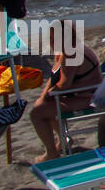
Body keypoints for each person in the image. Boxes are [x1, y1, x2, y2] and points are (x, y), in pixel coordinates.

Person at [29, 21, 100, 161]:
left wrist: (48, 96)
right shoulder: (66, 51)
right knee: (41, 105)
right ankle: (63, 140)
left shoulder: (71, 53)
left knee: (36, 113)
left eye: (52, 37)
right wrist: (44, 96)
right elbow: (54, 78)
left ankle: (52, 153)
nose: (49, 41)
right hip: (80, 94)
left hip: (89, 97)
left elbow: (63, 85)